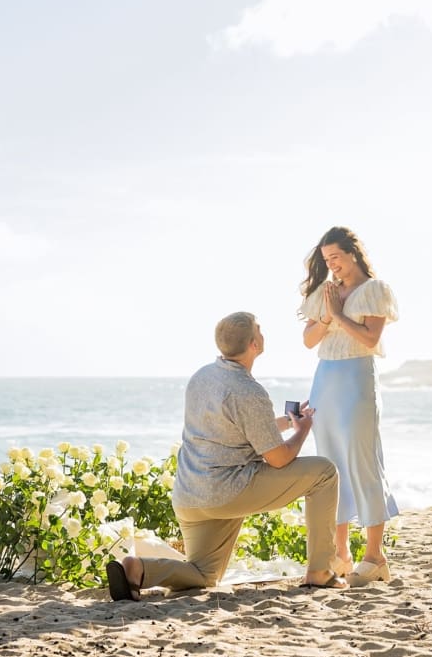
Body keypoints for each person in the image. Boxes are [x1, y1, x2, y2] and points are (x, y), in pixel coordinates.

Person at [106, 311, 346, 600]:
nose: (263, 333)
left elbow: (236, 428)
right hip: (227, 492)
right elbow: (279, 459)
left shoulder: (202, 376)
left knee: (204, 575)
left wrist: (286, 421)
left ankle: (137, 568)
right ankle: (320, 571)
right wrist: (302, 430)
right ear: (254, 344)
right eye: (260, 329)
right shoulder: (249, 391)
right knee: (324, 472)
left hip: (189, 495)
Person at [299, 226, 399, 586]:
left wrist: (339, 315)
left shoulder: (375, 290)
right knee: (331, 465)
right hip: (325, 378)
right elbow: (310, 341)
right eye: (327, 260)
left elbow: (371, 339)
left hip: (358, 379)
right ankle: (340, 554)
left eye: (336, 258)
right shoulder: (325, 292)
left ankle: (375, 557)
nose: (332, 266)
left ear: (353, 254)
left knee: (363, 460)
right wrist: (327, 315)